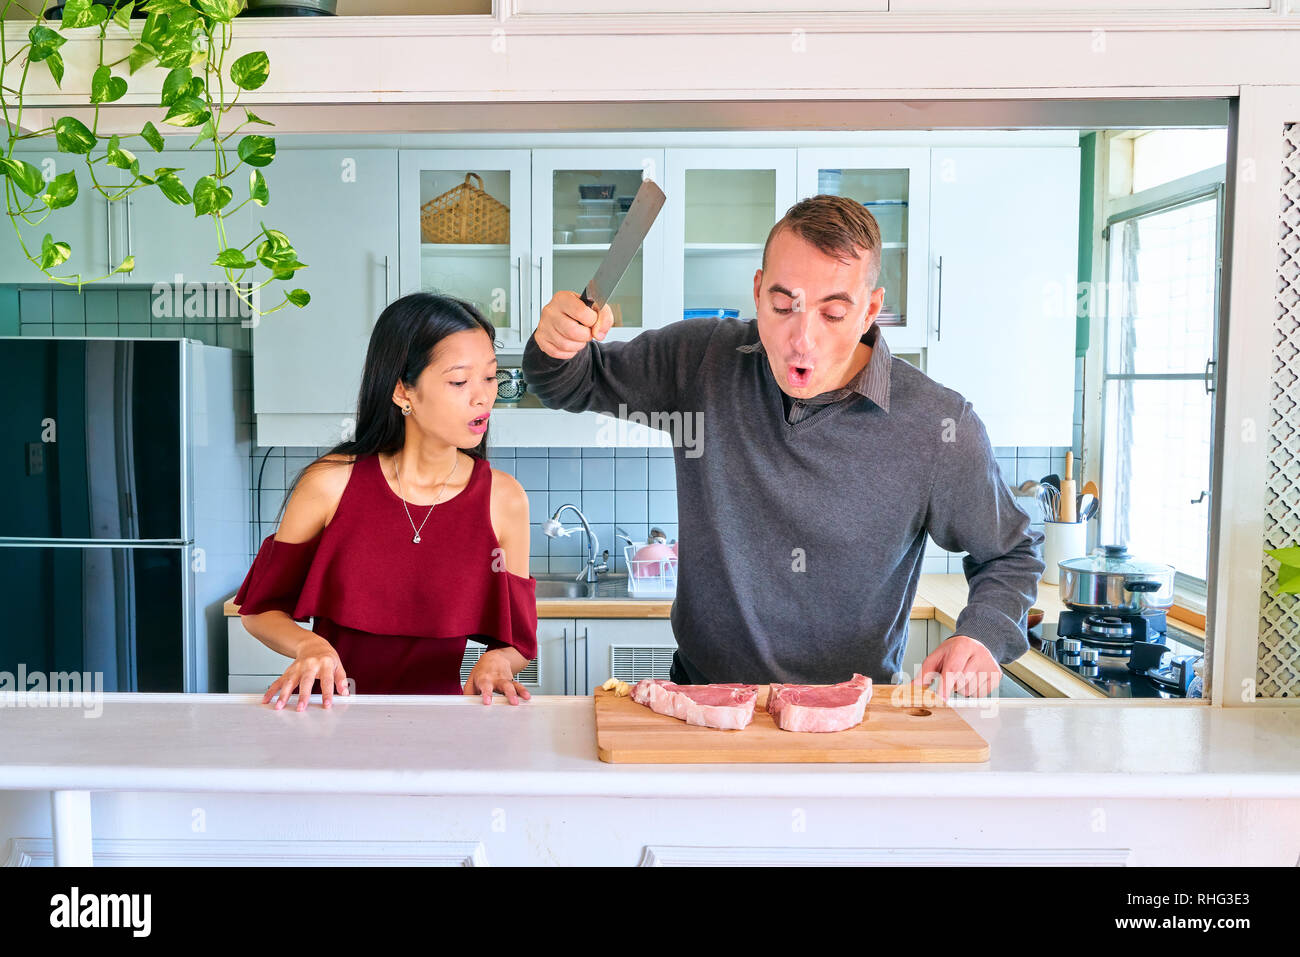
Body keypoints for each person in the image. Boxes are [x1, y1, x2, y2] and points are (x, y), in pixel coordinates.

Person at [522, 194, 1044, 699]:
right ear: (757, 291)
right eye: (782, 305)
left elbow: (1011, 553)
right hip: (704, 702)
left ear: (871, 309)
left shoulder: (938, 424)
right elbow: (567, 382)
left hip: (850, 719)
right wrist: (556, 342)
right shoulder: (704, 358)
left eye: (833, 314)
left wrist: (981, 633)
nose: (803, 339)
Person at [236, 292, 537, 711]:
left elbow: (518, 641)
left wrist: (498, 660)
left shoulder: (505, 500)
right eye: (459, 381)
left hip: (445, 725)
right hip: (330, 716)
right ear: (402, 391)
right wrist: (310, 647)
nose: (483, 397)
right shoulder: (329, 484)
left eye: (490, 377)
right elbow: (260, 609)